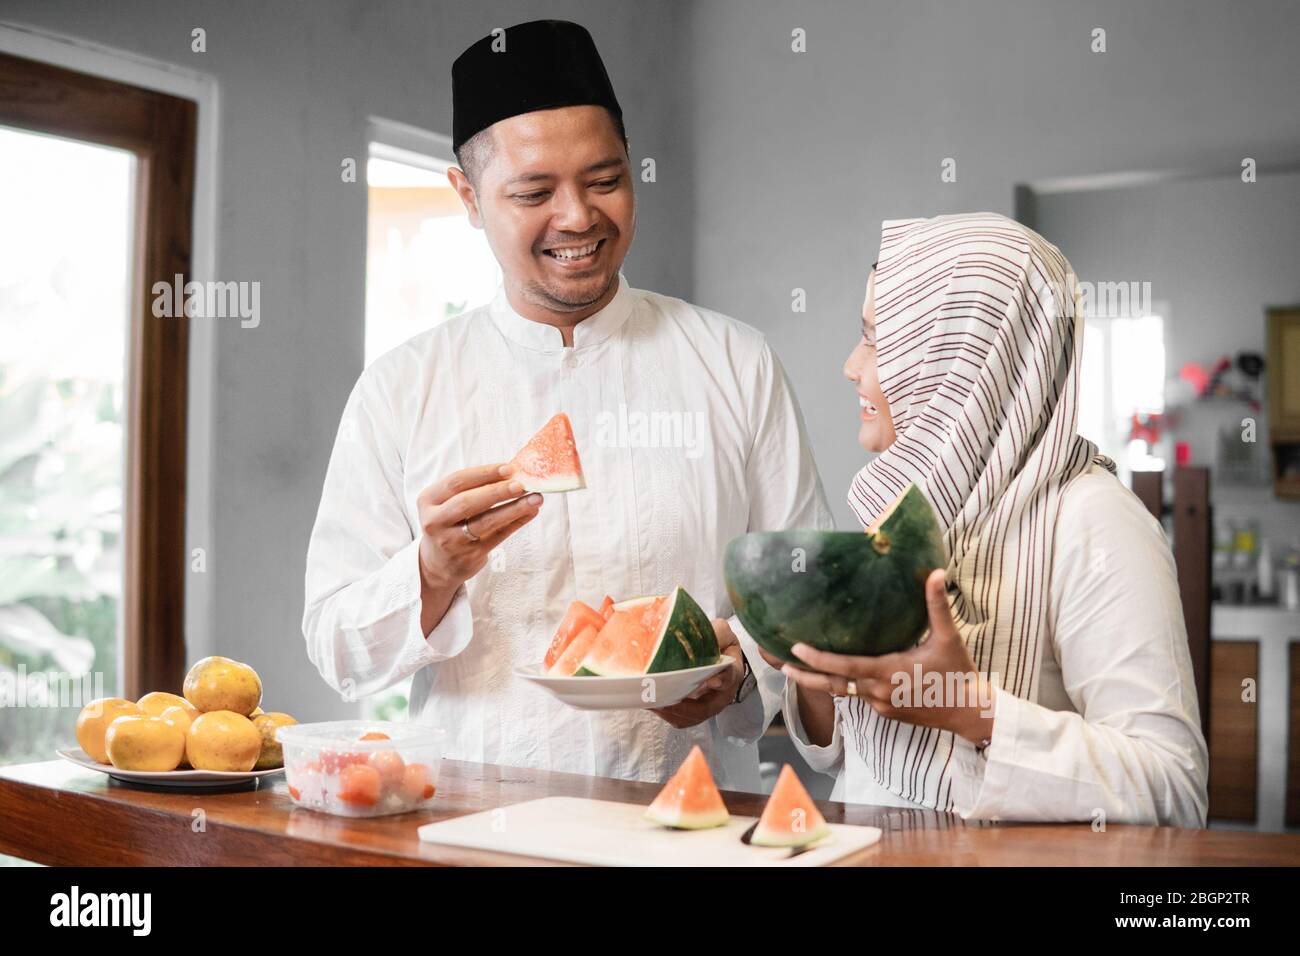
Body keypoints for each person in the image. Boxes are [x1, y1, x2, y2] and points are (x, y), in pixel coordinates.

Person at [302, 20, 832, 791]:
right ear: (469, 198)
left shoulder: (736, 361)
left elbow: (802, 592)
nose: (579, 216)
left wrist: (743, 668)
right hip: (474, 818)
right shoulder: (400, 386)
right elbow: (336, 646)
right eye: (534, 192)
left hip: (692, 814)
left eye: (605, 179)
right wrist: (432, 569)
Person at [773, 213, 1208, 826]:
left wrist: (968, 709)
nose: (851, 365)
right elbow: (854, 759)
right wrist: (816, 667)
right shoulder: (906, 511)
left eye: (877, 339)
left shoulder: (1097, 520)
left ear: (961, 362)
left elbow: (1174, 790)